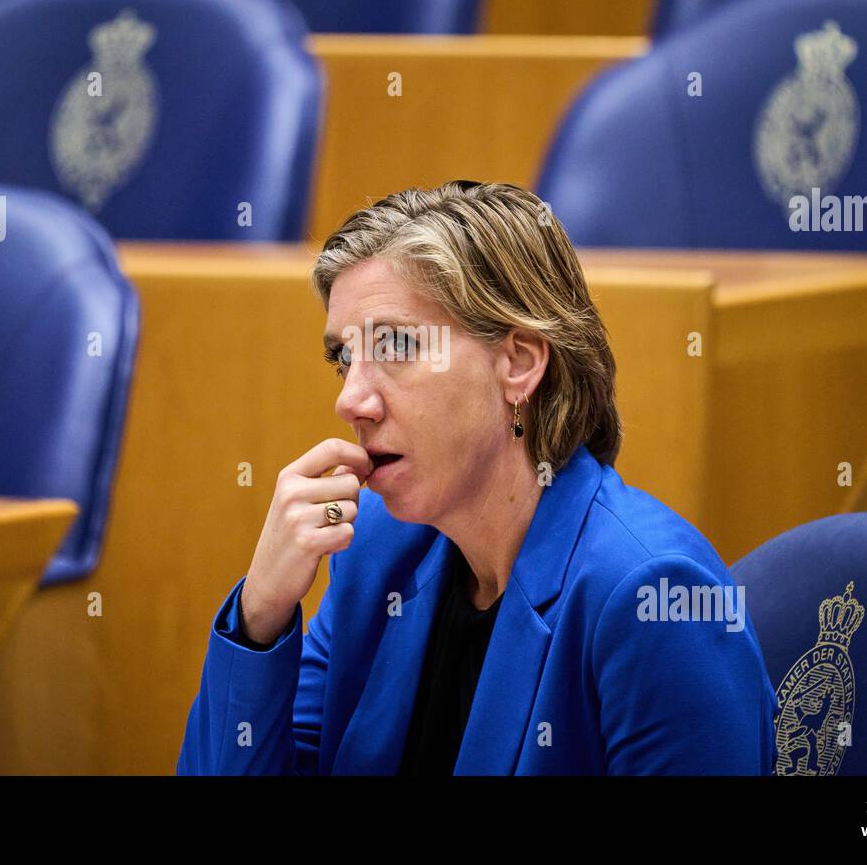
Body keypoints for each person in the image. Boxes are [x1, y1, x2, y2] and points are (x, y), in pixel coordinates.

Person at [176, 180, 777, 774]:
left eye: (396, 347)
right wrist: (261, 615)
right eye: (344, 359)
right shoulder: (377, 551)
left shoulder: (651, 600)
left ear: (518, 363)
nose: (352, 400)